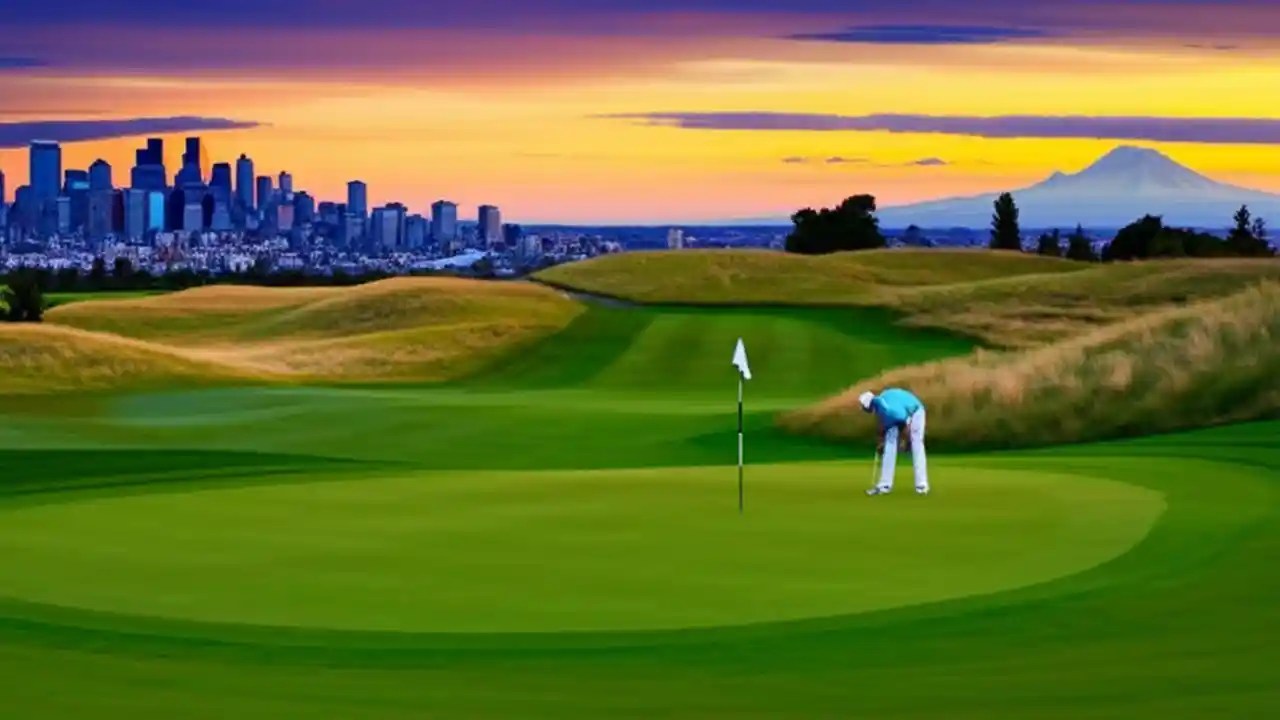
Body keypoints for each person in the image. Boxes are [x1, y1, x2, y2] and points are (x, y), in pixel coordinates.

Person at [859, 387, 929, 496]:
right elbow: (885, 426)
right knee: (889, 445)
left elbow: (905, 422)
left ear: (869, 407)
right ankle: (885, 485)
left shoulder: (889, 410)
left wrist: (905, 441)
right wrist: (881, 442)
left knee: (916, 444)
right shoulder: (882, 405)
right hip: (902, 413)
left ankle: (922, 485)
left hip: (915, 411)